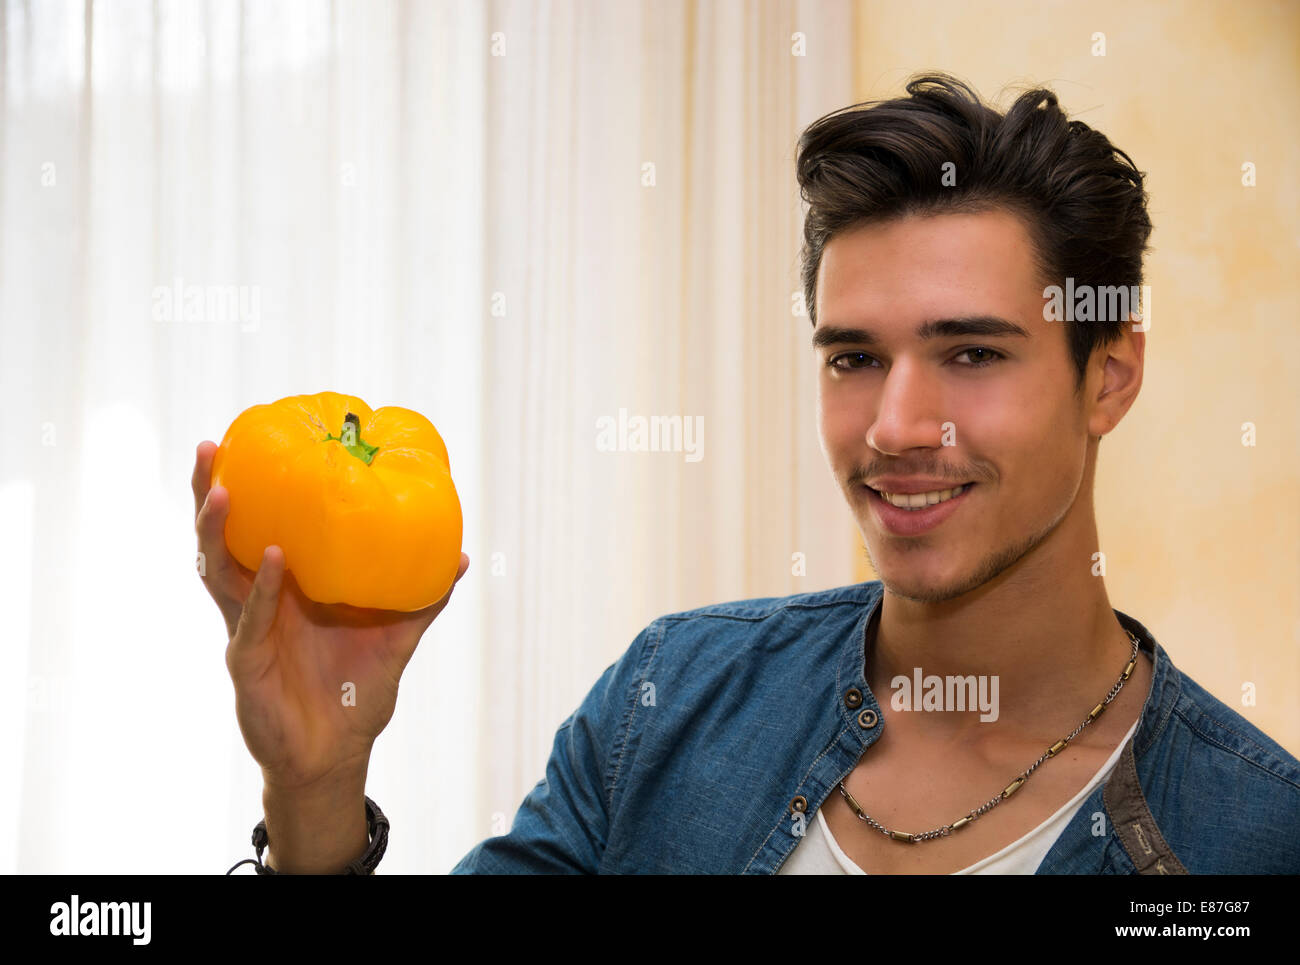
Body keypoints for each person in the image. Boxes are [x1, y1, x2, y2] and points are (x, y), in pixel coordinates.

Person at [199, 73, 1300, 875]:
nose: (895, 424)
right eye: (854, 357)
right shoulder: (669, 695)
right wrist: (314, 788)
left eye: (971, 352)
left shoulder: (1252, 834)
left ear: (1107, 377)